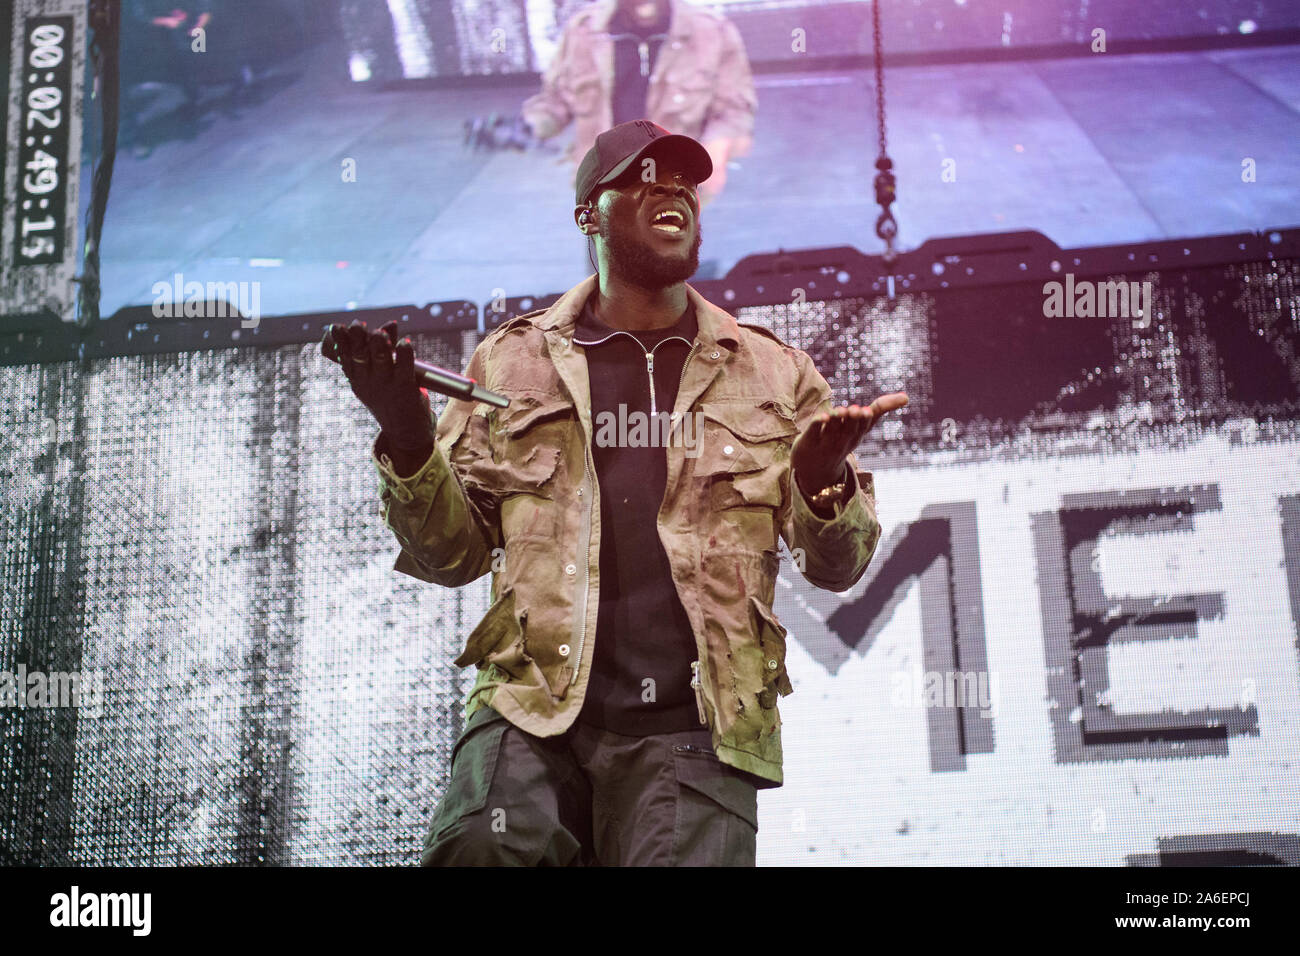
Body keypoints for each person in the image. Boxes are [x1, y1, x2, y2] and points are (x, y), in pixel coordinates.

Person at [322, 120, 908, 866]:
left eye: (684, 180)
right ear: (587, 216)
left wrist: (823, 484)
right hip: (532, 710)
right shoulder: (512, 363)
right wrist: (408, 438)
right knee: (479, 848)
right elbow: (450, 558)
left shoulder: (772, 373)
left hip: (697, 730)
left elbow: (838, 568)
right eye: (642, 177)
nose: (672, 189)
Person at [522, 0, 756, 206]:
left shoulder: (712, 33)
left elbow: (734, 109)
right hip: (604, 187)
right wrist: (530, 127)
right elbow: (558, 99)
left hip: (674, 187)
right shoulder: (583, 31)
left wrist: (716, 149)